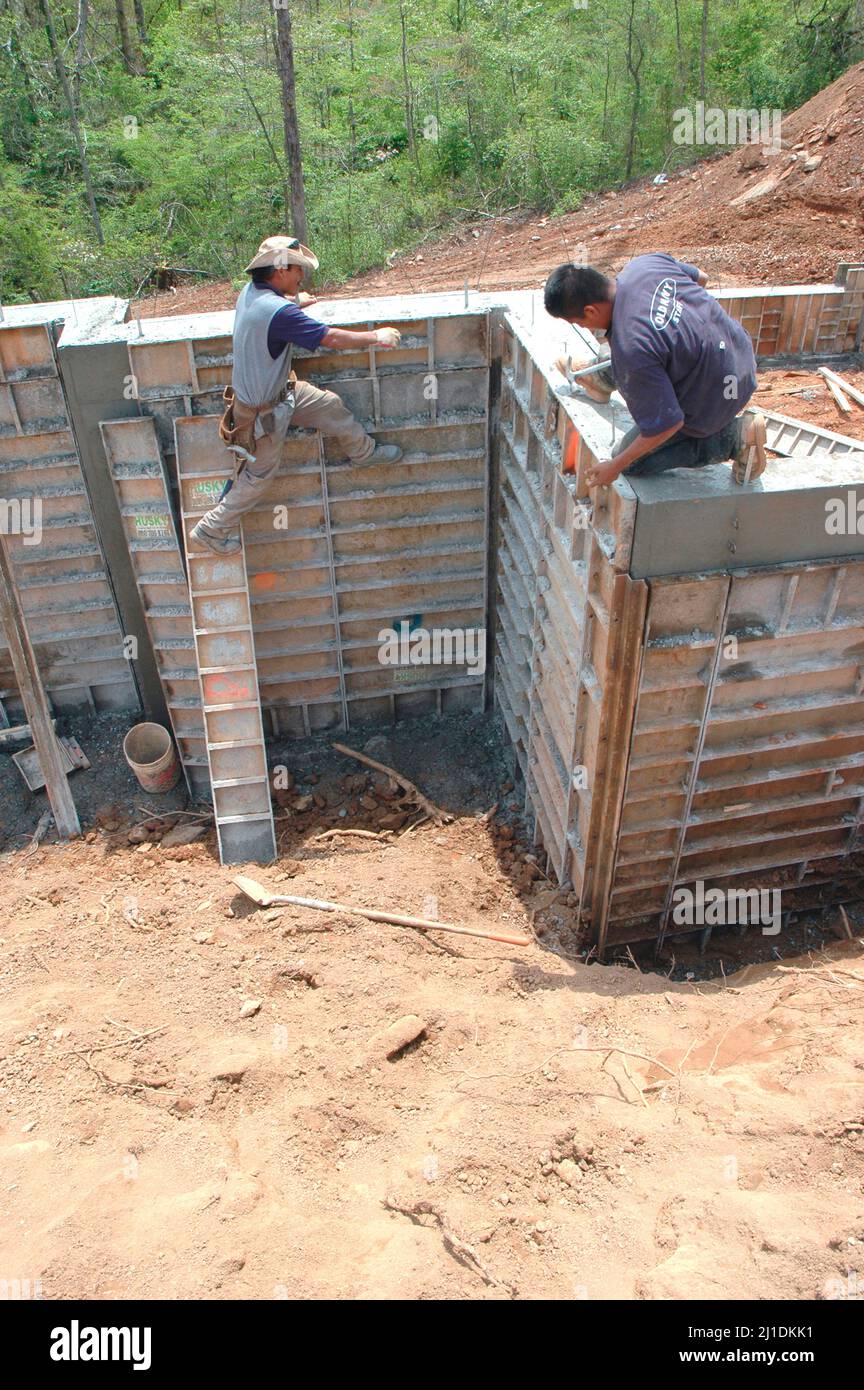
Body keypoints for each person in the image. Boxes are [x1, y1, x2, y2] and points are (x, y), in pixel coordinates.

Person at [191, 235, 405, 555]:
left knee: (330, 406)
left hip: (282, 394)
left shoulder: (252, 294)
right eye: (296, 270)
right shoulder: (278, 312)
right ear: (279, 271)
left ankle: (364, 453)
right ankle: (210, 529)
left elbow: (275, 315)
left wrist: (293, 300)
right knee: (258, 475)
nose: (301, 276)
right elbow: (329, 338)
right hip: (263, 414)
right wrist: (376, 336)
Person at [544, 253, 767, 488]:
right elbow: (702, 278)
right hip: (738, 353)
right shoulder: (644, 265)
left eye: (580, 323)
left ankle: (732, 438)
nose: (585, 328)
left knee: (630, 460)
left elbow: (667, 424)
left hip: (719, 397)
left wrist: (615, 465)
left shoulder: (631, 348)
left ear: (590, 311)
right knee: (644, 348)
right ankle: (601, 378)